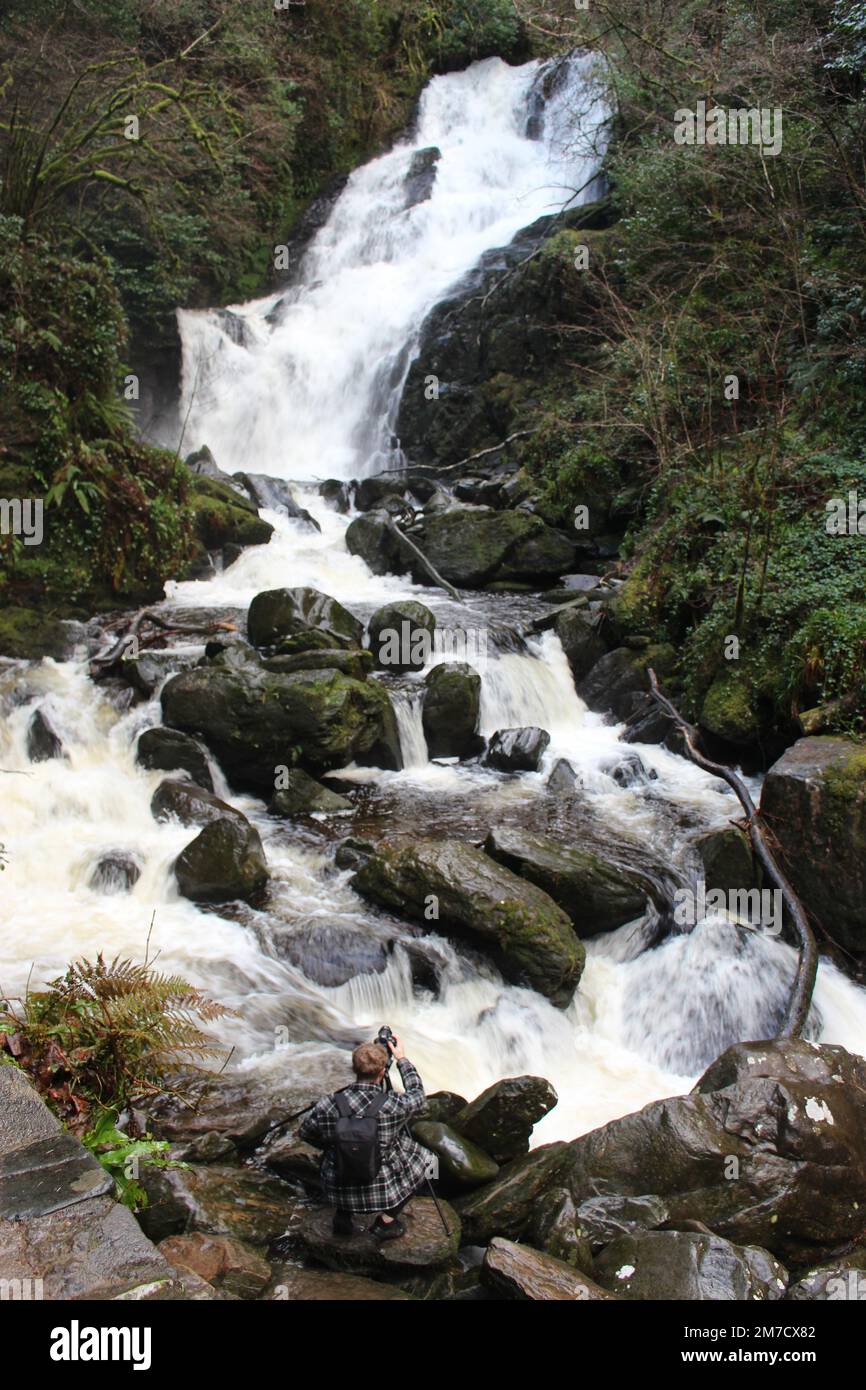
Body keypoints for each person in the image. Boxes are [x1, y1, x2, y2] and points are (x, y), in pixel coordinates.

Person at [299, 1033, 429, 1240]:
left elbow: (305, 1133)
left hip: (337, 1187)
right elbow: (418, 1096)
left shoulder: (328, 1104)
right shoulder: (393, 1105)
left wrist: (336, 1146)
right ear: (382, 1072)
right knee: (427, 1161)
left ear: (354, 1069)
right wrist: (402, 1060)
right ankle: (386, 1222)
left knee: (341, 1154)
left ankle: (343, 1218)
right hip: (381, 1189)